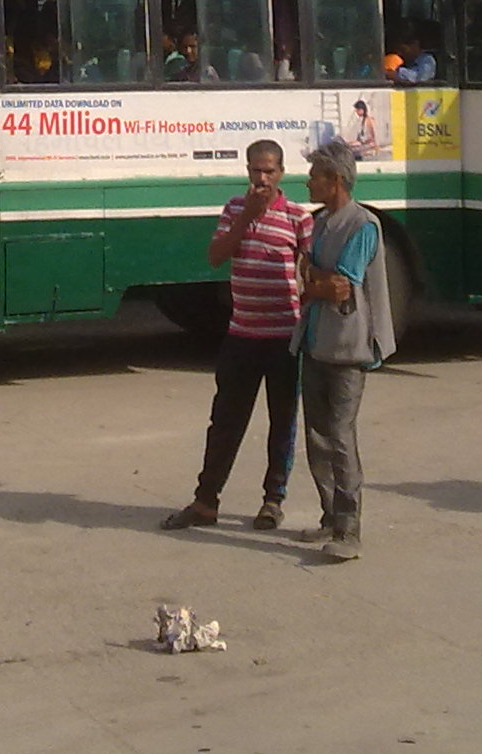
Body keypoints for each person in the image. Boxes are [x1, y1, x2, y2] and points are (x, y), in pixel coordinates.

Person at [160, 142, 316, 535]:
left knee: (283, 421)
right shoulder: (234, 209)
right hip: (241, 335)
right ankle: (206, 500)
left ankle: (272, 500)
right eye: (254, 171)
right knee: (226, 421)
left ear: (281, 173)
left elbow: (312, 271)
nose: (260, 179)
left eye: (268, 171)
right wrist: (248, 216)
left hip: (284, 337)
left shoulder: (298, 217)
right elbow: (215, 256)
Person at [295, 140, 395, 561]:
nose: (309, 181)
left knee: (339, 435)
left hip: (349, 346)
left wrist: (313, 281)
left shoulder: (363, 225)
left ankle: (349, 528)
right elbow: (310, 274)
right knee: (316, 436)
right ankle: (329, 517)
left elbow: (341, 285)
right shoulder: (320, 223)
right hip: (316, 342)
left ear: (336, 181)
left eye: (315, 175)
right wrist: (317, 280)